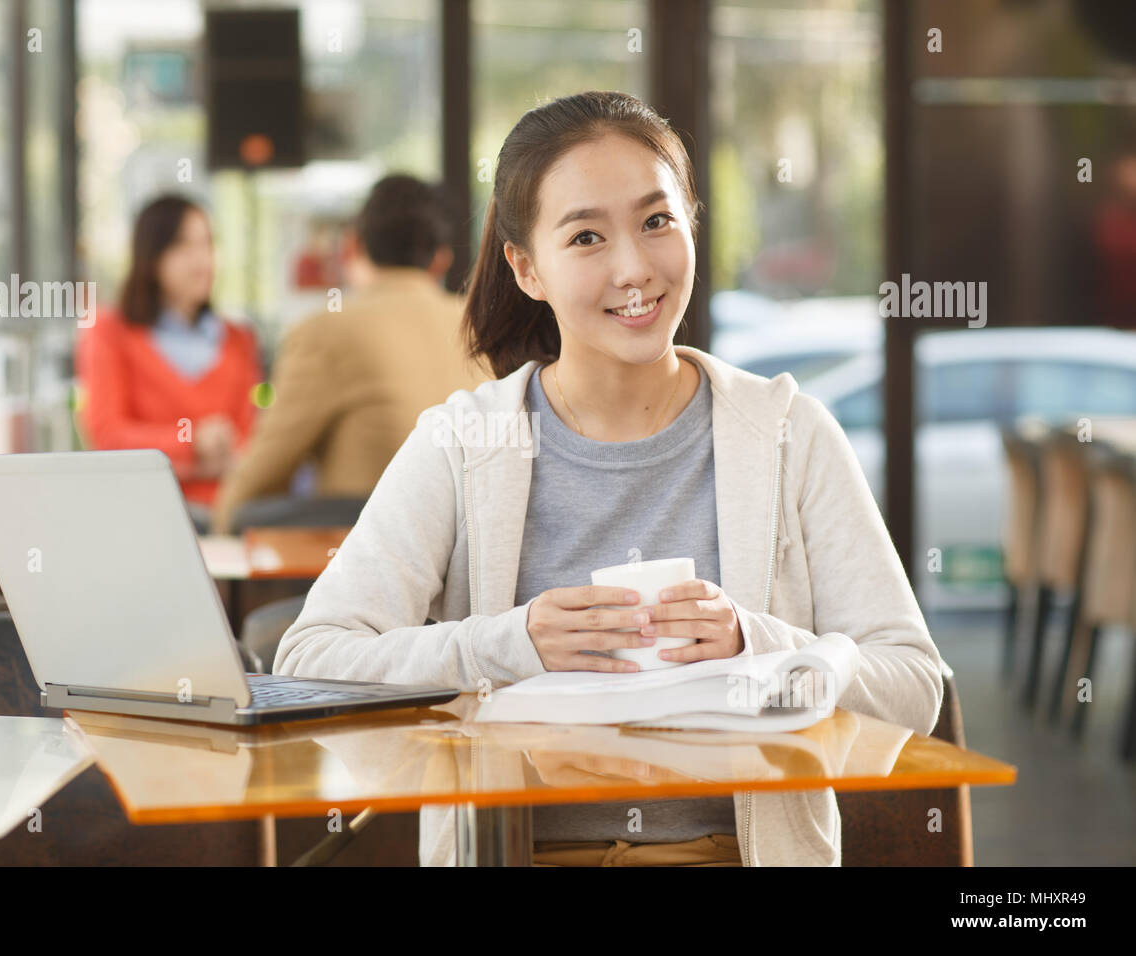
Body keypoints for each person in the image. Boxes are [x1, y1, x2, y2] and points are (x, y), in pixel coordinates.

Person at [269, 91, 946, 867]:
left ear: (691, 222)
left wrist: (751, 644)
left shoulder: (790, 434)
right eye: (586, 236)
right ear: (527, 268)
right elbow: (313, 663)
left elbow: (913, 685)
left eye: (658, 221)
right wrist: (510, 643)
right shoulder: (464, 442)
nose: (634, 267)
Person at [210, 174, 493, 533]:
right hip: (470, 552)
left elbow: (267, 467)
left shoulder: (326, 332)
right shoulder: (481, 324)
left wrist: (220, 529)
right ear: (441, 259)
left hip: (364, 557)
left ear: (352, 246)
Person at [75, 195, 262, 523]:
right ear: (152, 256)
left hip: (230, 516)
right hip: (144, 513)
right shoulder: (110, 332)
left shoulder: (239, 339)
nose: (203, 261)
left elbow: (249, 445)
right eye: (184, 246)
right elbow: (109, 437)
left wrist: (170, 456)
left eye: (208, 244)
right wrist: (193, 443)